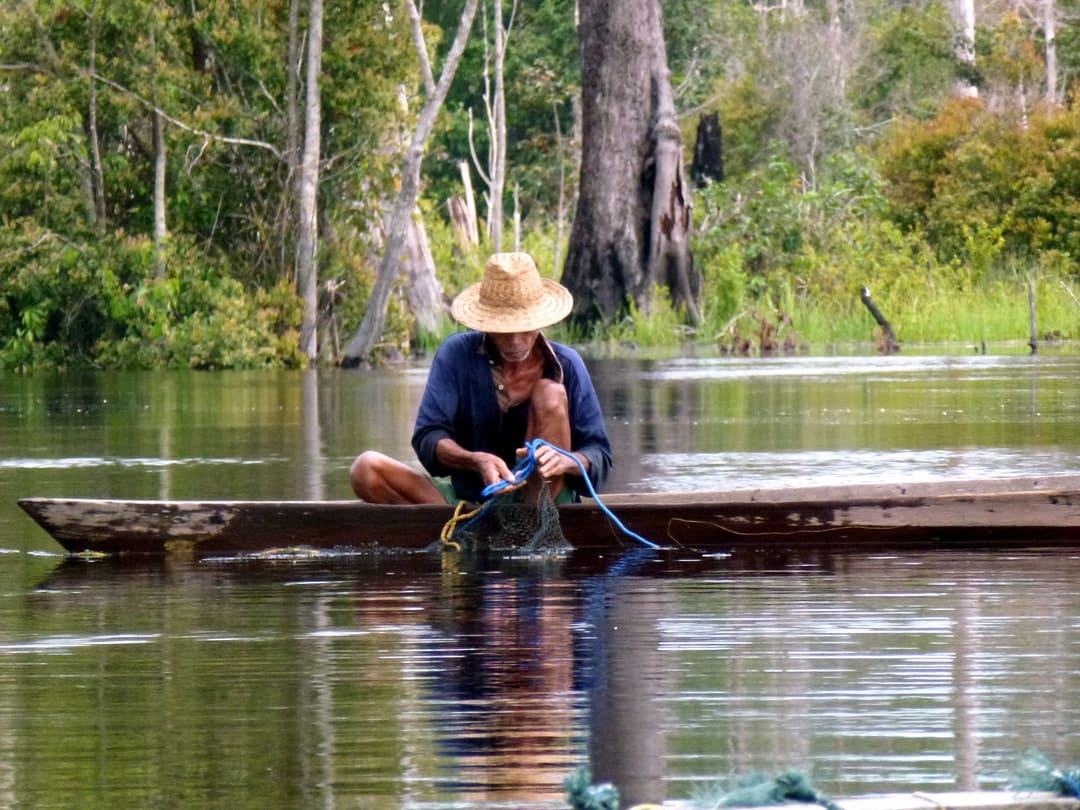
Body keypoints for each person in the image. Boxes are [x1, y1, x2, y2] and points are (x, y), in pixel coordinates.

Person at [350, 251, 612, 505]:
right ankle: (466, 525)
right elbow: (428, 437)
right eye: (504, 330)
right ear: (486, 324)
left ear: (540, 321)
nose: (515, 342)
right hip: (473, 500)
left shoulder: (567, 364)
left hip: (545, 502)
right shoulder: (457, 354)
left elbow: (599, 454)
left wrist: (569, 461)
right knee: (366, 469)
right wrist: (474, 460)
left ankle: (531, 526)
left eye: (524, 328)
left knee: (550, 393)